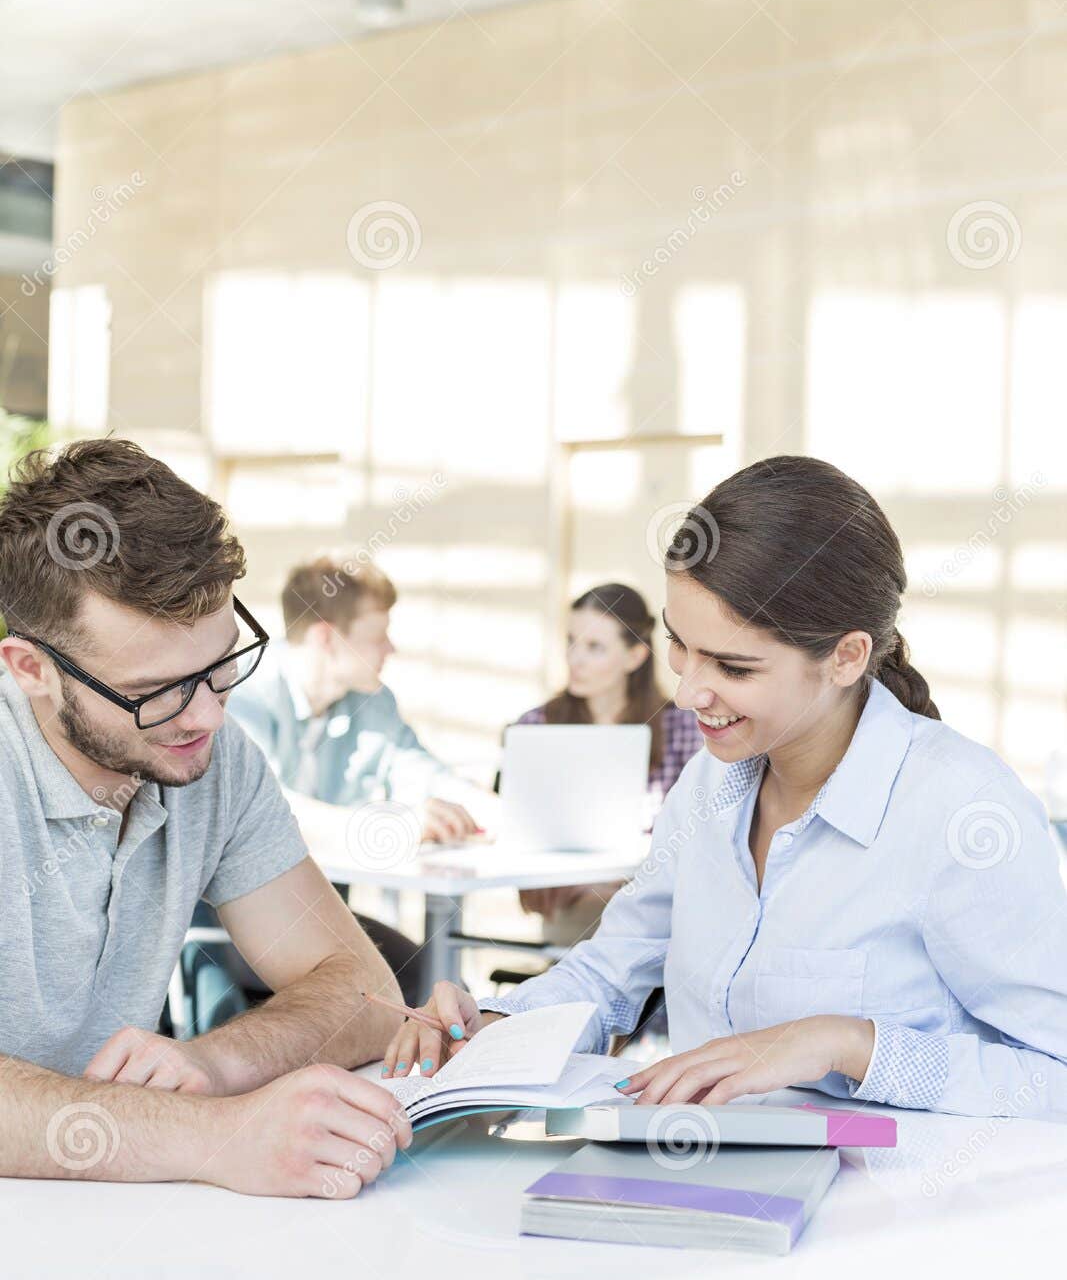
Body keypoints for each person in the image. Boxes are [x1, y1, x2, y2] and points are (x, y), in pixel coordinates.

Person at [385, 454, 1067, 1122]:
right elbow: (612, 967)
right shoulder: (712, 779)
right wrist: (498, 1022)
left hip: (897, 1218)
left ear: (846, 656)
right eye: (679, 645)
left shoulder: (959, 808)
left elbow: (1054, 1073)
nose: (686, 693)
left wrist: (848, 1044)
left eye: (733, 667)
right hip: (702, 1187)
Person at [0, 438, 411, 1197]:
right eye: (157, 689)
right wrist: (212, 1133)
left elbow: (364, 992)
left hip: (96, 1219)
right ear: (30, 670)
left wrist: (213, 1063)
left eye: (222, 664)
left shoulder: (212, 754)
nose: (210, 715)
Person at [227, 556, 491, 1003]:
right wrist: (394, 825)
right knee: (401, 992)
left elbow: (426, 775)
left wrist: (510, 813)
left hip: (322, 917)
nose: (391, 650)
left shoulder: (371, 702)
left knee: (443, 989)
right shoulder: (243, 694)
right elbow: (264, 814)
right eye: (377, 636)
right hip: (238, 926)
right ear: (326, 637)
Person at [510, 582, 702, 941]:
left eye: (594, 647)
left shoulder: (682, 727)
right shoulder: (535, 727)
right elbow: (521, 835)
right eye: (571, 642)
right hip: (569, 910)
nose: (574, 659)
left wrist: (614, 883)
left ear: (635, 656)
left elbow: (697, 838)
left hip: (660, 908)